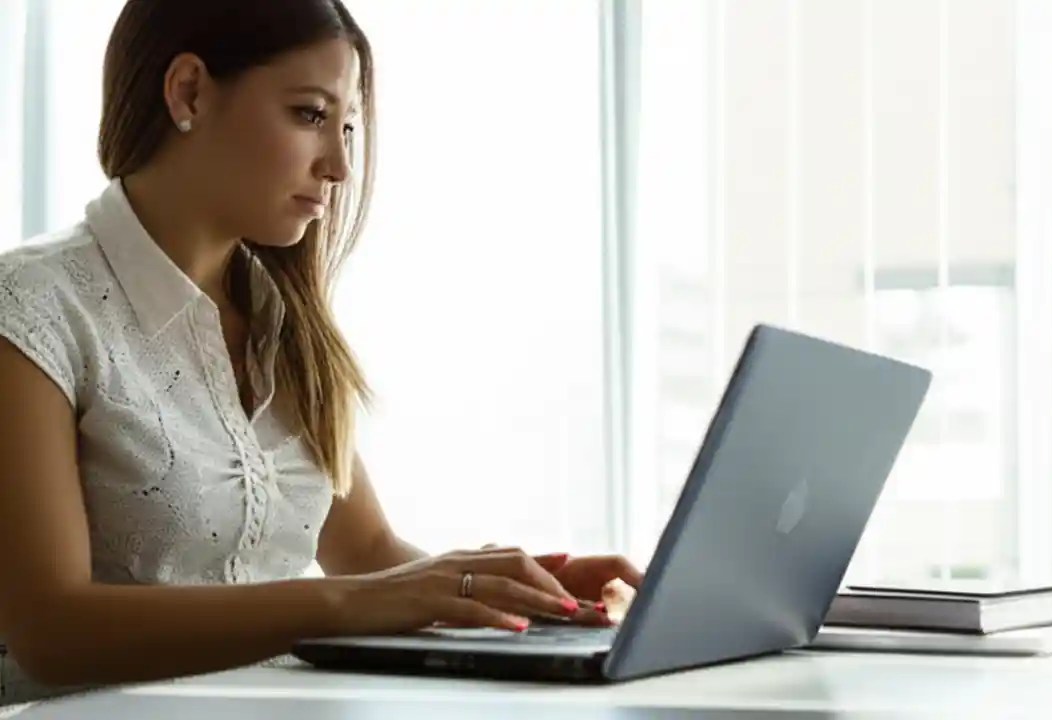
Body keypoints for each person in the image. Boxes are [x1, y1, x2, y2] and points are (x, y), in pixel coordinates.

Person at [0, 0, 642, 706]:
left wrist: (525, 595)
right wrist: (341, 603)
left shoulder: (286, 323)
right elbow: (51, 630)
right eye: (309, 115)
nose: (337, 165)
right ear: (188, 93)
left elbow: (369, 557)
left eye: (347, 128)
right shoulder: (31, 309)